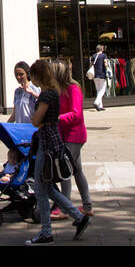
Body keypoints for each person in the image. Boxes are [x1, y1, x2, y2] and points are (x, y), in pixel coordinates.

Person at [25, 59, 89, 245]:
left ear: (38, 76)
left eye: (32, 75)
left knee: (42, 186)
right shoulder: (52, 92)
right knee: (46, 186)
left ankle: (47, 232)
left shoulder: (47, 95)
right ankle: (78, 216)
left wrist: (38, 118)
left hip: (47, 141)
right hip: (51, 139)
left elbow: (35, 121)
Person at [53, 58, 92, 219]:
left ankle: (64, 207)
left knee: (65, 171)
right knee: (77, 171)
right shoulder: (59, 89)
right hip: (66, 135)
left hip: (74, 135)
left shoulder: (73, 88)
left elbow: (76, 113)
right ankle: (87, 205)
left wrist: (58, 117)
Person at [91, 43, 109, 112]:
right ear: (102, 49)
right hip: (102, 74)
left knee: (98, 90)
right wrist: (107, 66)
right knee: (103, 90)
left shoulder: (93, 56)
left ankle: (100, 106)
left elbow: (91, 65)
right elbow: (105, 63)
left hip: (95, 75)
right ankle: (96, 102)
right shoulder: (104, 55)